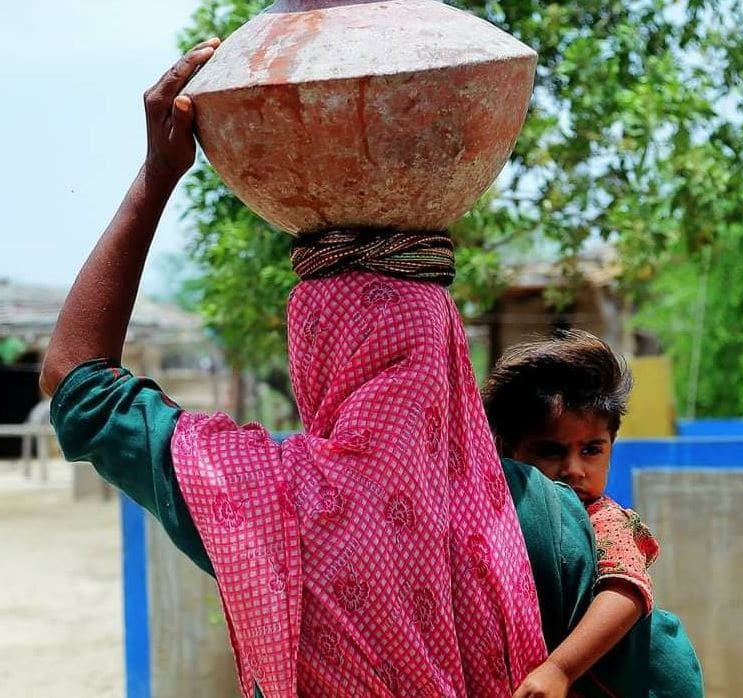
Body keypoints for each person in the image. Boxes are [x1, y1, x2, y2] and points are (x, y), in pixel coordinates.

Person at [42, 41, 701, 698]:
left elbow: (76, 378)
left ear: (313, 352)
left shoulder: (255, 500)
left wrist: (159, 173)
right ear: (445, 346)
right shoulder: (542, 516)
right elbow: (673, 681)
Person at [483, 330, 703, 698]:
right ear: (506, 450)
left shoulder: (605, 520)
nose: (574, 469)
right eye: (551, 451)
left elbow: (626, 592)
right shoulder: (501, 518)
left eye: (591, 450)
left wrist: (559, 669)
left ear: (611, 447)